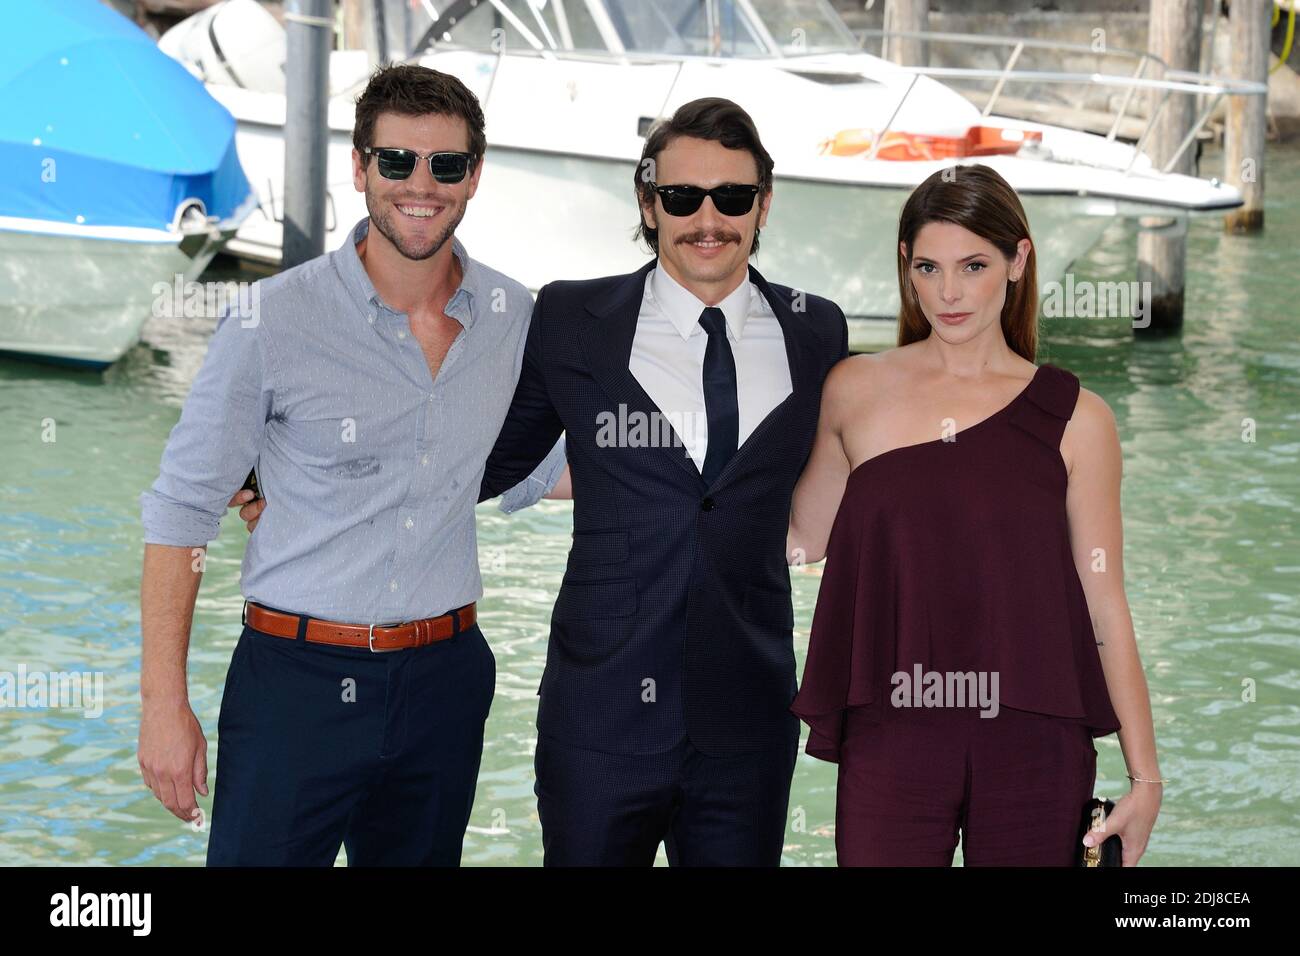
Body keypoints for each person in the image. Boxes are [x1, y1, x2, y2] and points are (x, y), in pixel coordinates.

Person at [138, 65, 534, 866]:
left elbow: (527, 464)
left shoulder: (514, 318)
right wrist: (163, 706)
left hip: (445, 682)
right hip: (295, 683)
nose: (420, 184)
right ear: (360, 169)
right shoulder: (269, 318)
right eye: (396, 161)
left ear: (473, 177)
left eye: (445, 165)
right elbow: (183, 510)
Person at [473, 97, 848, 866]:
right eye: (681, 197)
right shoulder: (572, 315)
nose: (706, 218)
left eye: (732, 197)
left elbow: (843, 472)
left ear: (763, 205)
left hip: (748, 724)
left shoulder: (819, 330)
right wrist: (295, 472)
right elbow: (481, 455)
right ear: (648, 204)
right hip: (598, 722)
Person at [787, 164, 1163, 866]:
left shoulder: (1079, 419)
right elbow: (797, 542)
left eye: (974, 265)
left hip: (1035, 736)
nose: (949, 292)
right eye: (929, 266)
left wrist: (1146, 779)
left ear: (1019, 261)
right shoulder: (853, 390)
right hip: (891, 730)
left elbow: (1103, 601)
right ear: (906, 266)